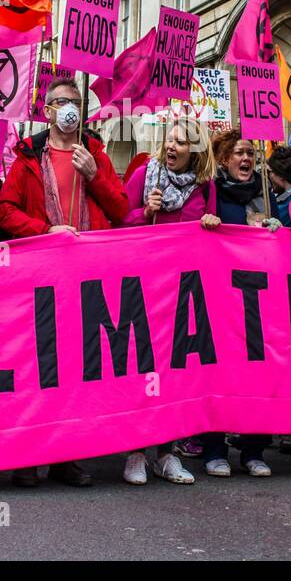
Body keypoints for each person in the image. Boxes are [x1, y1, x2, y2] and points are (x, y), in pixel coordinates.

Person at [0, 76, 128, 488]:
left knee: (76, 368)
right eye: (60, 102)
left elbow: (122, 209)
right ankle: (27, 457)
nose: (69, 108)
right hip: (39, 274)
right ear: (47, 110)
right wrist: (44, 231)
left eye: (75, 102)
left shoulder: (96, 155)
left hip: (87, 276)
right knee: (37, 366)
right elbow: (5, 211)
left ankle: (66, 456)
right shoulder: (28, 158)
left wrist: (96, 176)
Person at [118, 116, 218, 486]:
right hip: (144, 288)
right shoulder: (146, 173)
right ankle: (135, 452)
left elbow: (214, 230)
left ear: (196, 151)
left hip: (183, 291)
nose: (173, 147)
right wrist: (143, 213)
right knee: (142, 368)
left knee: (175, 374)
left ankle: (166, 453)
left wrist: (211, 222)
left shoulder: (205, 187)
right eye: (171, 140)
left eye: (182, 142)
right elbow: (117, 225)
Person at [196, 128, 279, 479]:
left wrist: (280, 228)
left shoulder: (265, 194)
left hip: (258, 296)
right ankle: (215, 449)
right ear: (226, 158)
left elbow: (282, 242)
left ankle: (253, 450)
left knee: (257, 373)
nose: (246, 159)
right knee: (218, 372)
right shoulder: (211, 191)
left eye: (251, 154)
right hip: (219, 296)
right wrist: (207, 223)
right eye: (240, 153)